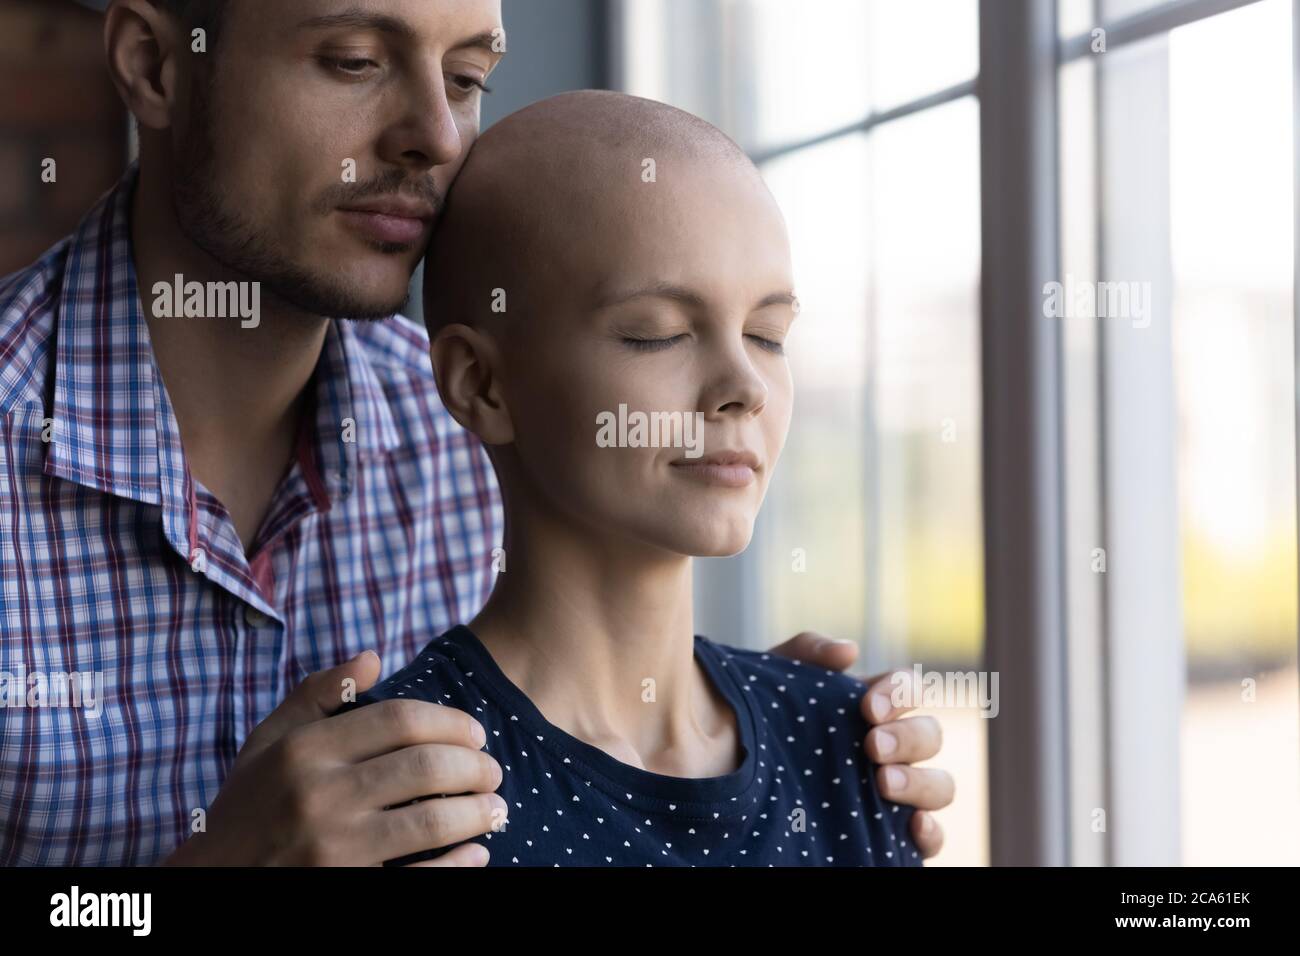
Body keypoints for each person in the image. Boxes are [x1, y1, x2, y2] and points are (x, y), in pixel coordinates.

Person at [0, 0, 952, 866]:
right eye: (353, 60)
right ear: (157, 66)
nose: (435, 136)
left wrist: (766, 744)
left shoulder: (503, 420)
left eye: (465, 79)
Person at [339, 90, 921, 866]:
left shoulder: (847, 740)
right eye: (661, 335)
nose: (743, 385)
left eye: (766, 335)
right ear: (481, 384)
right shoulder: (398, 796)